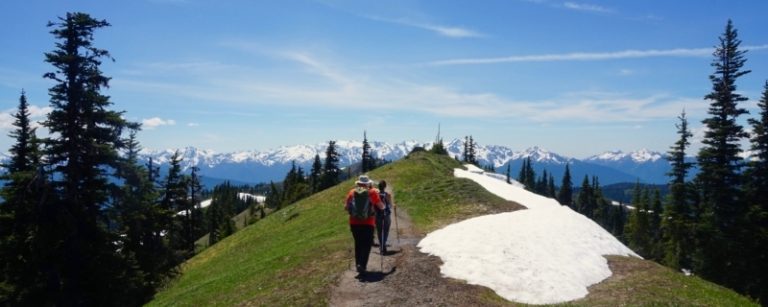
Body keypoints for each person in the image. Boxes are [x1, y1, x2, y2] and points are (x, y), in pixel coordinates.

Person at [344, 175, 384, 277]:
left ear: (358, 183)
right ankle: (362, 265)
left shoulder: (352, 192)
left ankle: (358, 264)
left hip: (354, 223)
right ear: (368, 184)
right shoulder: (372, 192)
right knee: (367, 244)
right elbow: (381, 206)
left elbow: (346, 207)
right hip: (368, 223)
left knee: (358, 244)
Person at [375, 180, 395, 255]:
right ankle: (383, 245)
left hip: (377, 215)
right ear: (385, 187)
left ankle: (381, 246)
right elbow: (390, 205)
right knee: (386, 230)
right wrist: (393, 206)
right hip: (386, 215)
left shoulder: (375, 195)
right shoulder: (387, 195)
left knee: (379, 231)